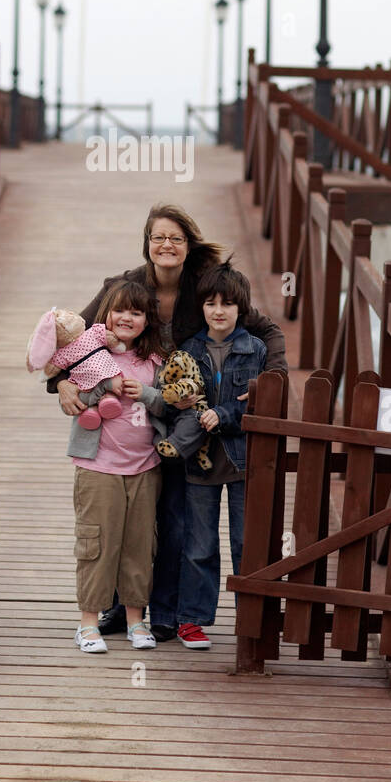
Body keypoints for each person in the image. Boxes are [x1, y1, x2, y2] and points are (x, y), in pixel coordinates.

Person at [50, 204, 286, 639]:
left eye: (176, 238)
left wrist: (268, 380)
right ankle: (121, 611)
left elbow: (267, 331)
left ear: (188, 244)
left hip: (189, 420)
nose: (167, 245)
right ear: (147, 244)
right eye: (158, 237)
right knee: (128, 523)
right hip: (135, 417)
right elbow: (76, 336)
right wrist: (64, 382)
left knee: (174, 520)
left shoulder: (208, 287)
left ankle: (164, 614)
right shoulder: (123, 287)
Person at [161, 262, 266, 648]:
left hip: (242, 461)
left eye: (227, 304)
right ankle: (192, 619)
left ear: (242, 309)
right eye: (210, 303)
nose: (218, 311)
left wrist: (223, 414)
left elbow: (259, 407)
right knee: (199, 544)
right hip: (199, 463)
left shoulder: (255, 350)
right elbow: (174, 401)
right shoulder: (189, 350)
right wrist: (181, 404)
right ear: (201, 307)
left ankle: (249, 618)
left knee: (244, 542)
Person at [67, 279, 168, 654]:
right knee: (97, 543)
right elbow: (70, 386)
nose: (127, 317)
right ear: (105, 314)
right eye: (120, 310)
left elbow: (169, 405)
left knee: (139, 544)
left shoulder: (155, 360)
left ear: (147, 320)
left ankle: (135, 620)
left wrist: (147, 394)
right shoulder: (89, 355)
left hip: (144, 467)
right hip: (99, 466)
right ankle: (88, 623)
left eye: (136, 312)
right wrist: (98, 386)